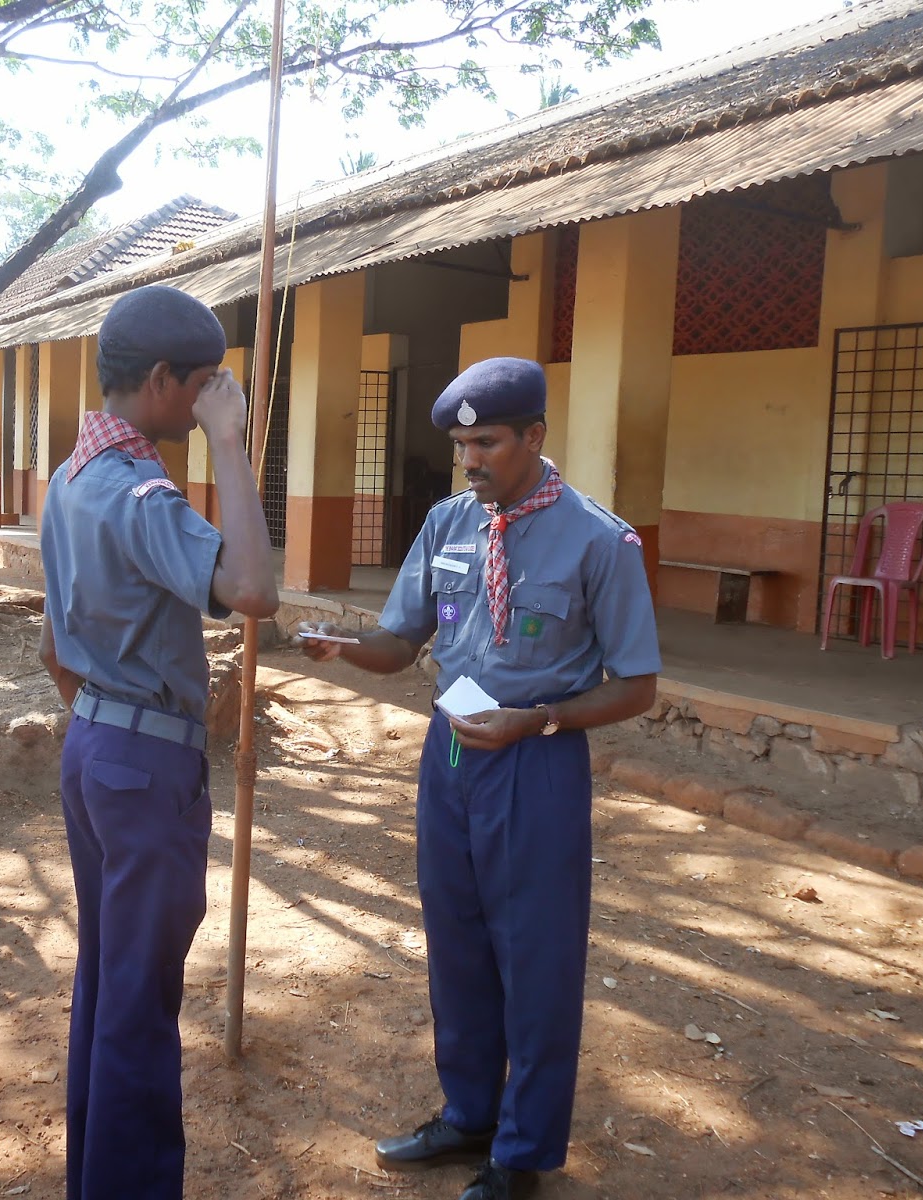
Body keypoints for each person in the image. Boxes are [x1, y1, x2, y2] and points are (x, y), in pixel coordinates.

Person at [296, 358, 660, 1200]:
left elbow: (637, 685)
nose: (470, 460)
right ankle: (469, 1116)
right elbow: (400, 645)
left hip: (536, 762)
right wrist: (347, 646)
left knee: (534, 958)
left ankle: (523, 1153)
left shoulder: (600, 541)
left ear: (534, 436)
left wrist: (537, 720)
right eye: (461, 444)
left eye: (486, 443)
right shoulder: (447, 526)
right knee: (456, 944)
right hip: (451, 755)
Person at [37, 284, 279, 1200]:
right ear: (164, 379)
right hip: (143, 766)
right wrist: (230, 441)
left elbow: (53, 647)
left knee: (109, 985)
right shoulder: (139, 490)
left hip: (95, 746)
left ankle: (96, 1178)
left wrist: (103, 720)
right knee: (139, 1007)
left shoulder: (69, 476)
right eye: (207, 383)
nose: (216, 395)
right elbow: (254, 589)